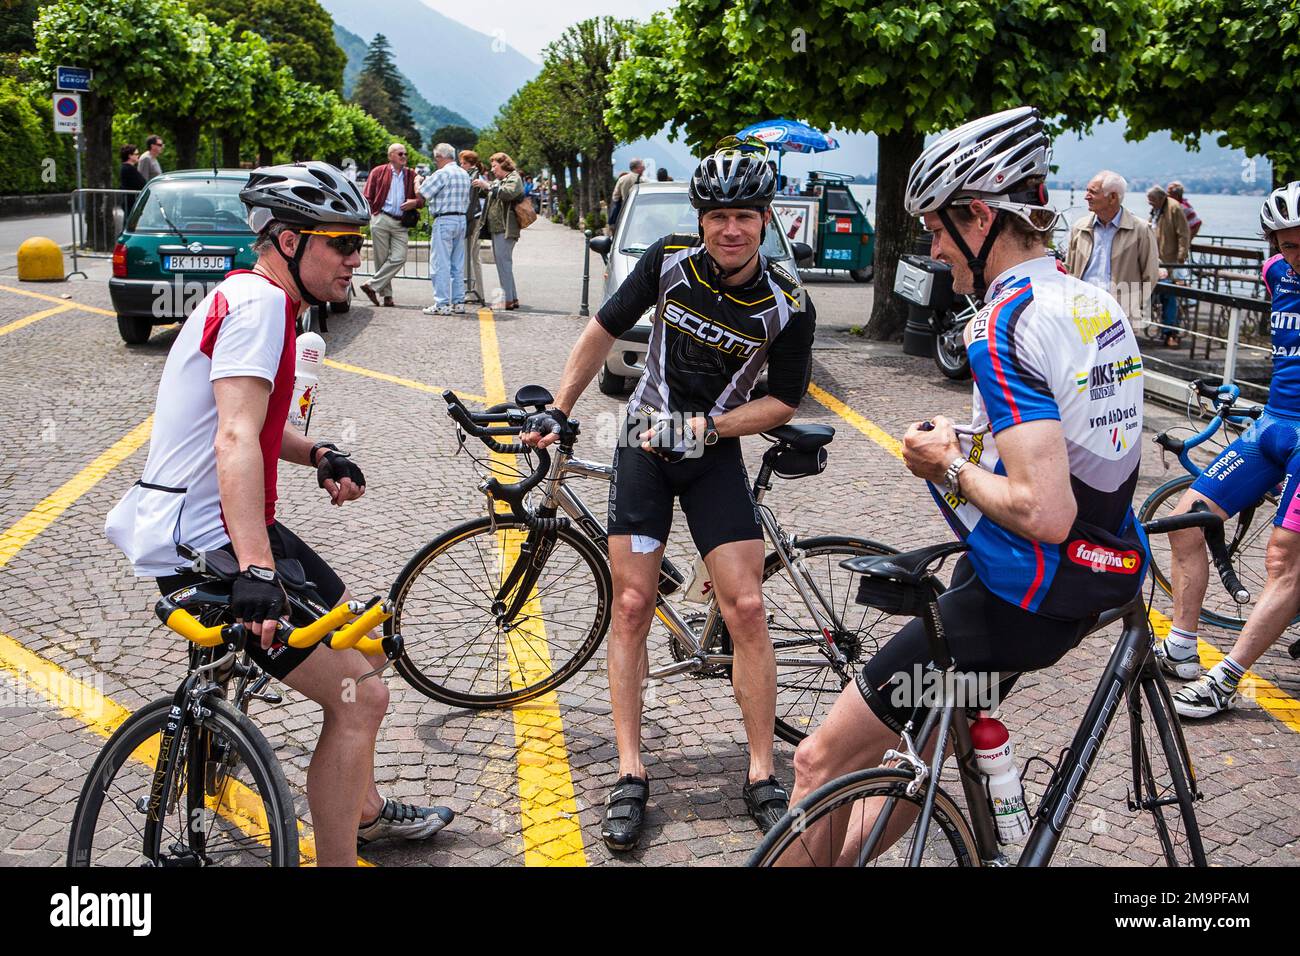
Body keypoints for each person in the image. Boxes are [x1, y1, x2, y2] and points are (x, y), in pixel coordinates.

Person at [786, 107, 1147, 864]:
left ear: (980, 214)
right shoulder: (1092, 302)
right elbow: (1070, 450)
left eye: (940, 228)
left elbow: (1044, 511)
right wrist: (973, 446)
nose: (935, 248)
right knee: (910, 756)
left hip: (1021, 596)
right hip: (1099, 576)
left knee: (819, 762)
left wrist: (944, 465)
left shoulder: (1000, 324)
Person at [103, 161, 453, 866]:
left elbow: (249, 426)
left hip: (224, 527)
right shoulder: (263, 309)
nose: (357, 259)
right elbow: (232, 437)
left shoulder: (250, 296)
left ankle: (361, 808)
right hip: (211, 542)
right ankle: (339, 850)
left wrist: (317, 453)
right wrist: (257, 570)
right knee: (360, 698)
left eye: (359, 243)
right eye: (342, 245)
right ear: (289, 241)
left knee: (366, 643)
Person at [520, 136, 816, 850]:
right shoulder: (667, 261)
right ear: (701, 217)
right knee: (631, 603)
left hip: (712, 454)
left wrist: (711, 427)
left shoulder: (789, 302)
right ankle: (630, 773)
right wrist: (562, 407)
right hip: (642, 447)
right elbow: (601, 330)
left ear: (767, 217)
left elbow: (784, 400)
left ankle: (759, 775)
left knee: (746, 606)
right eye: (718, 216)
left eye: (745, 215)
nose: (731, 229)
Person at [1156, 182, 1300, 718]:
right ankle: (1182, 646)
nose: (1296, 256)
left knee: (1283, 557)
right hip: (1273, 424)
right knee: (1186, 521)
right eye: (1287, 245)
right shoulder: (1276, 276)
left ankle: (1227, 677)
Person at [1065, 170, 1159, 326]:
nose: (1086, 196)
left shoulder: (1141, 230)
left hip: (1119, 314)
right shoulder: (1079, 227)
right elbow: (1069, 269)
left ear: (1113, 197)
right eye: (1087, 190)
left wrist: (1133, 308)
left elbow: (1150, 275)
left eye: (1093, 192)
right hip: (1081, 312)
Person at [360, 143, 424, 308]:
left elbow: (422, 200)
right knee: (381, 259)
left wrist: (415, 202)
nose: (404, 156)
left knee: (399, 257)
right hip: (381, 218)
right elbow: (367, 196)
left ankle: (371, 286)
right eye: (400, 154)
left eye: (405, 154)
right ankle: (387, 296)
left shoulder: (411, 174)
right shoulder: (378, 171)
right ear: (391, 156)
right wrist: (370, 216)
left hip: (401, 221)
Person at [417, 142, 472, 316]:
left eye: (436, 159)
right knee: (457, 264)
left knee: (440, 263)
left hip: (444, 219)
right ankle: (458, 302)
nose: (435, 162)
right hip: (461, 219)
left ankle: (441, 303)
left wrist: (417, 181)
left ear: (440, 157)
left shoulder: (442, 173)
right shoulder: (464, 174)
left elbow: (422, 193)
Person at [474, 152, 524, 310]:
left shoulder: (514, 178)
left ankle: (507, 300)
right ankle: (513, 298)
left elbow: (507, 194)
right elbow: (492, 193)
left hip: (505, 228)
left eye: (495, 166)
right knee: (504, 264)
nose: (492, 169)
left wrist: (487, 186)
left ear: (504, 165)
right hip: (498, 229)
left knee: (504, 264)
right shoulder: (500, 180)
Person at [1148, 185, 1191, 347]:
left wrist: (1180, 257)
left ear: (1161, 198)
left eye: (1152, 201)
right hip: (1156, 262)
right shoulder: (1156, 210)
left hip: (1170, 260)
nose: (1150, 204)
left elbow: (1184, 233)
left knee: (1170, 292)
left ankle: (1170, 332)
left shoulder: (1174, 208)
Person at [460, 149, 486, 305]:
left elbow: (470, 201)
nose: (460, 165)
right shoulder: (475, 175)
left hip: (473, 220)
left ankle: (473, 291)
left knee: (471, 256)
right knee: (474, 256)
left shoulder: (473, 177)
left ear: (471, 164)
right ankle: (477, 291)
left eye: (463, 163)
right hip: (476, 218)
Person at [608, 158, 644, 231]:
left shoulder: (622, 179)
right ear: (638, 168)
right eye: (642, 166)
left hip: (623, 213)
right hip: (640, 214)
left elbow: (615, 197)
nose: (644, 168)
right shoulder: (643, 180)